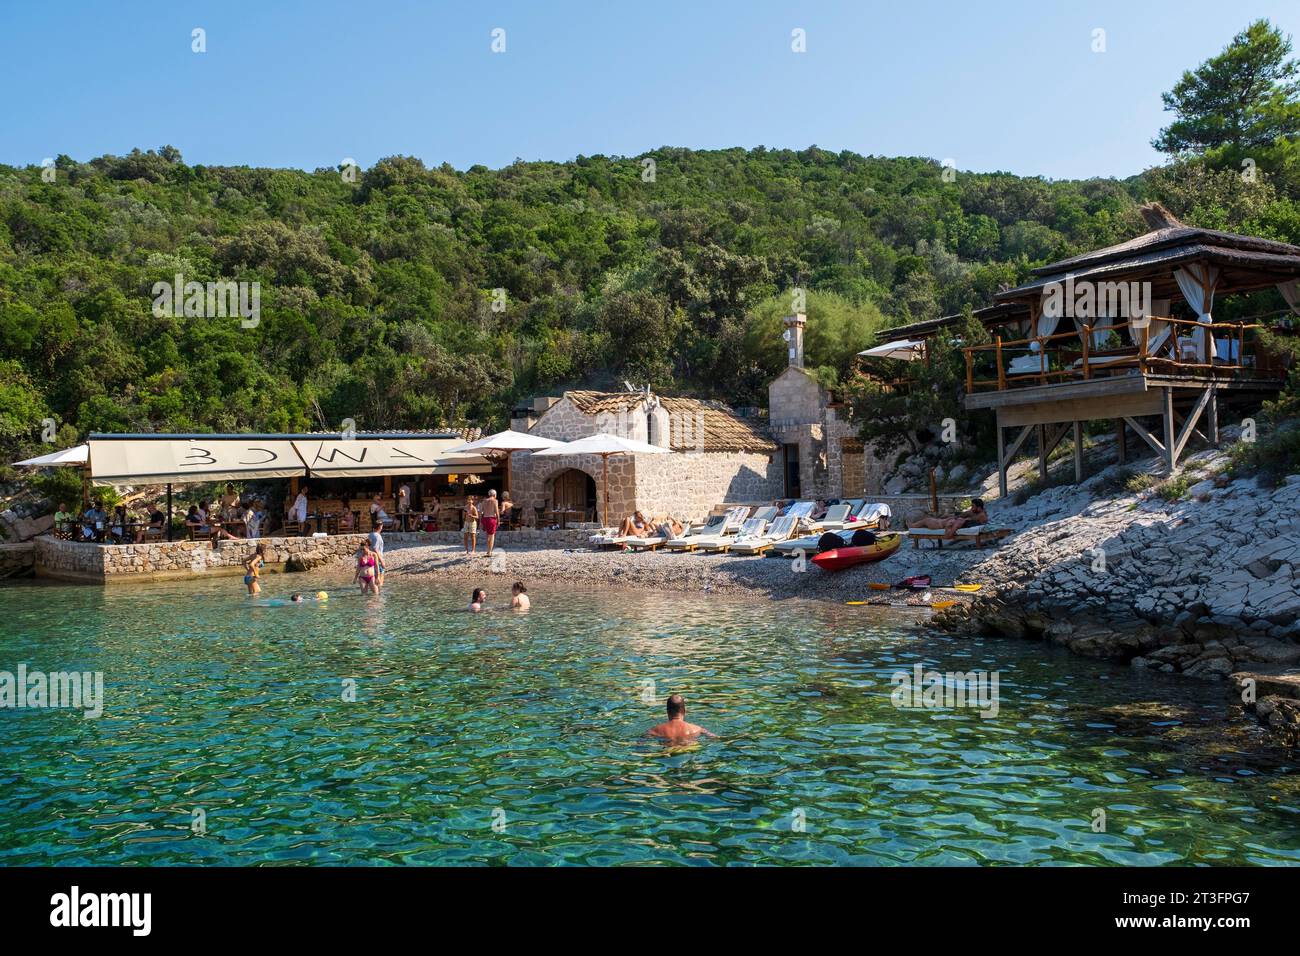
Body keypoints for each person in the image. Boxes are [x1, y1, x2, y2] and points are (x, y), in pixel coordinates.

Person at [906, 497, 989, 541]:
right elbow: (964, 514)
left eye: (973, 506)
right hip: (952, 521)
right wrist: (952, 516)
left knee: (927, 520)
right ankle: (913, 526)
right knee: (931, 520)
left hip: (947, 524)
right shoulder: (974, 512)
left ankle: (912, 526)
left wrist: (953, 523)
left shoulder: (981, 515)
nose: (971, 508)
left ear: (979, 508)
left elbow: (971, 520)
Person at [647, 694, 717, 743]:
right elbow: (714, 738)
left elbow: (641, 743)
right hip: (688, 749)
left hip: (667, 751)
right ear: (684, 710)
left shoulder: (654, 730)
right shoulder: (698, 729)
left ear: (667, 711)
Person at [481, 489, 501, 557]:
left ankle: (488, 550)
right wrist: (498, 520)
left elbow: (481, 512)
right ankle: (490, 552)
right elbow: (496, 511)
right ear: (494, 495)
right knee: (492, 536)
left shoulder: (484, 501)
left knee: (487, 535)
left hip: (485, 518)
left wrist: (481, 521)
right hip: (492, 518)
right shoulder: (495, 501)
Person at [367, 521, 385, 591]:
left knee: (374, 577)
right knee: (380, 577)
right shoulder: (377, 536)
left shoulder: (370, 535)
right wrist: (382, 561)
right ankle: (379, 596)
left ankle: (375, 593)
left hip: (371, 559)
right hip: (377, 559)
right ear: (380, 526)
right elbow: (375, 549)